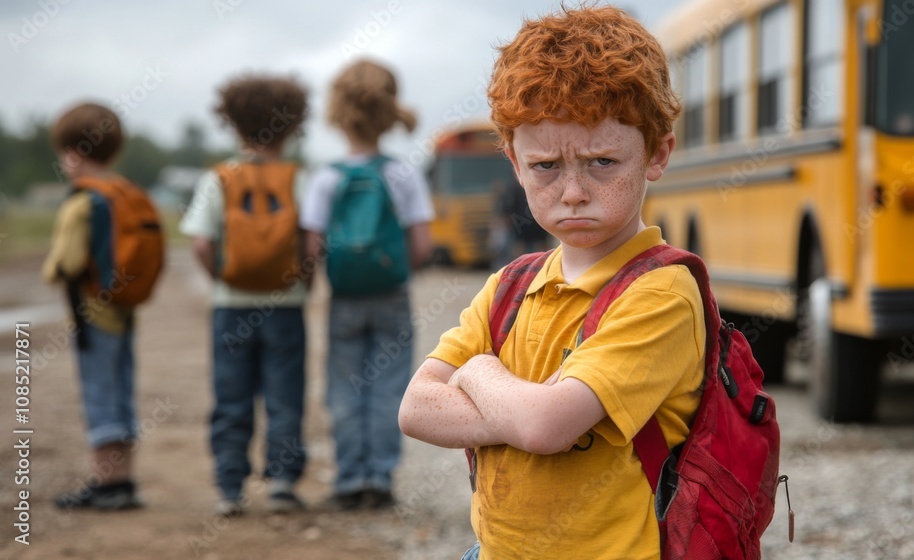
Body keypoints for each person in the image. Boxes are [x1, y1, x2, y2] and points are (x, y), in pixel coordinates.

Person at [398, 6, 706, 559]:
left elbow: (546, 427)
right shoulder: (511, 286)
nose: (573, 192)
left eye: (603, 161)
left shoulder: (662, 294)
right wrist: (523, 411)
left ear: (658, 152)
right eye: (545, 167)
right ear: (514, 162)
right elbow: (416, 408)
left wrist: (481, 371)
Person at [300, 59, 434, 510]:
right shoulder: (402, 174)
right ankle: (379, 480)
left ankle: (348, 480)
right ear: (389, 111)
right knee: (389, 386)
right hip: (392, 295)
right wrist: (395, 269)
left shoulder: (326, 177)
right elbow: (421, 244)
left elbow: (312, 247)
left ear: (337, 112)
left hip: (345, 299)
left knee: (345, 388)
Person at [179, 75, 310, 517]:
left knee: (231, 396)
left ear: (232, 122)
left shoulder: (218, 178)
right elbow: (312, 242)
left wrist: (222, 277)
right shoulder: (297, 177)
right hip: (286, 306)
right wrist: (304, 281)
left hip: (230, 308)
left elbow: (199, 241)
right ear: (292, 125)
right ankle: (283, 483)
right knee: (285, 396)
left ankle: (229, 489)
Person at [44, 102, 157, 510]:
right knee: (122, 388)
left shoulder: (81, 202)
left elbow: (67, 263)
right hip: (126, 312)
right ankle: (124, 479)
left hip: (93, 315)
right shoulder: (127, 193)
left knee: (99, 392)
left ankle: (107, 484)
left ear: (74, 153)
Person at [489, 176, 550, 269]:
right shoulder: (516, 188)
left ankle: (528, 268)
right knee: (524, 250)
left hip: (527, 226)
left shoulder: (515, 188)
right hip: (526, 226)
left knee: (527, 251)